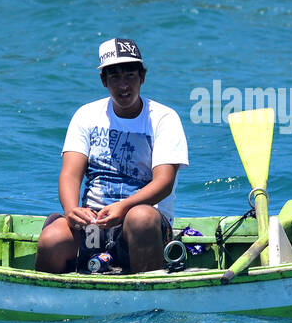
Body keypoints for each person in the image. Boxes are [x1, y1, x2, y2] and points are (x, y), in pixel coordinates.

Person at [35, 38, 188, 274]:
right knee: (52, 238)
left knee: (141, 218)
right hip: (94, 225)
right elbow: (69, 174)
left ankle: (148, 299)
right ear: (103, 80)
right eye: (114, 77)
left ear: (142, 77)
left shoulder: (164, 118)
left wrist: (124, 207)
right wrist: (70, 210)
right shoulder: (85, 115)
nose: (123, 85)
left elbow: (164, 183)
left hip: (143, 227)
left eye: (130, 75)